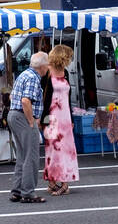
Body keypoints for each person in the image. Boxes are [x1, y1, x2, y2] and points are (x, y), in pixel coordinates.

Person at [10, 51, 50, 204]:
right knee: (31, 156)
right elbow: (26, 101)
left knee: (22, 155)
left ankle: (17, 191)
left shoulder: (24, 74)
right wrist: (31, 120)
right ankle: (28, 192)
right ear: (43, 66)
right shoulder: (34, 77)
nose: (47, 68)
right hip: (22, 117)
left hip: (14, 115)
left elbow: (13, 96)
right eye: (47, 65)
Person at [43, 44, 79, 195]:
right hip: (51, 116)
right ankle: (53, 181)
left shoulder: (66, 73)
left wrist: (71, 117)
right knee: (51, 149)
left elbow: (68, 98)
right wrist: (43, 120)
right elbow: (44, 98)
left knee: (65, 148)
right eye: (68, 56)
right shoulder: (48, 74)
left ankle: (64, 182)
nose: (70, 59)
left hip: (64, 116)